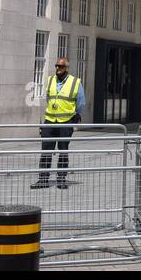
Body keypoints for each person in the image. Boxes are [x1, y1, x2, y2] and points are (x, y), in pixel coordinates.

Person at [33, 57, 85, 189]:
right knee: (46, 150)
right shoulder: (51, 80)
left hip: (65, 122)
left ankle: (61, 179)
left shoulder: (75, 82)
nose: (57, 68)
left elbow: (81, 102)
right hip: (50, 121)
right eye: (56, 66)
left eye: (60, 66)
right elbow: (48, 98)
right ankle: (43, 179)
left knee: (63, 151)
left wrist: (75, 114)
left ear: (66, 68)